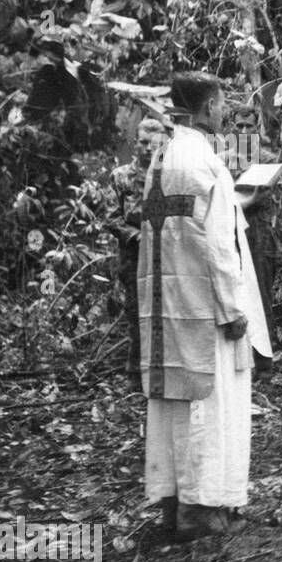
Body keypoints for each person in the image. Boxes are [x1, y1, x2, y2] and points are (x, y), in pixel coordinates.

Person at [139, 72, 270, 541]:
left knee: (175, 405)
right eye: (221, 103)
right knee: (211, 408)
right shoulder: (207, 163)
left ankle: (174, 504)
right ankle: (204, 509)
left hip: (169, 307)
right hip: (207, 311)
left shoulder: (163, 157)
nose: (225, 111)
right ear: (208, 106)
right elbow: (218, 247)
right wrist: (234, 309)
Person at [106, 117, 168, 373]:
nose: (149, 149)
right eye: (143, 143)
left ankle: (162, 370)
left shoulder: (169, 177)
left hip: (167, 258)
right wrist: (137, 236)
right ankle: (136, 371)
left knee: (165, 314)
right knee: (136, 313)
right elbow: (111, 219)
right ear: (135, 143)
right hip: (134, 258)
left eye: (154, 144)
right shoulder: (120, 177)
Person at [227, 103, 279, 372]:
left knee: (260, 292)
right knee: (233, 293)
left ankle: (264, 359)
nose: (245, 131)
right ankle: (239, 357)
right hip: (229, 232)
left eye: (250, 126)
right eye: (240, 126)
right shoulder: (223, 159)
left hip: (258, 233)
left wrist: (246, 199)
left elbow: (263, 197)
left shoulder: (268, 160)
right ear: (232, 128)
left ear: (257, 129)